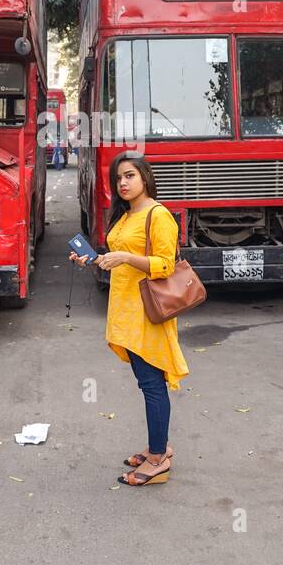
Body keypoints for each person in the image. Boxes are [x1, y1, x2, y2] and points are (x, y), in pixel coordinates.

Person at [69, 151, 189, 486]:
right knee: (145, 382)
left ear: (145, 178)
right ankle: (158, 448)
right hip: (126, 310)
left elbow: (165, 264)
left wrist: (124, 256)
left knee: (152, 385)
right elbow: (120, 259)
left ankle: (157, 460)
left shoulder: (158, 215)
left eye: (130, 176)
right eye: (118, 178)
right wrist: (94, 260)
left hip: (148, 312)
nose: (123, 182)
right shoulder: (124, 216)